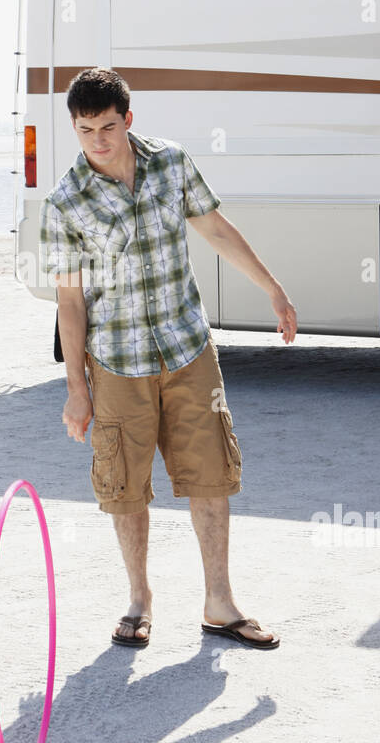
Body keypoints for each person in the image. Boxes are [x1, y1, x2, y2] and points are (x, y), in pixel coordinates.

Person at [39, 67, 297, 649]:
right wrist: (76, 387)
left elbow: (217, 230)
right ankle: (139, 599)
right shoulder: (64, 202)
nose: (98, 142)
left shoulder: (172, 163)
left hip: (187, 348)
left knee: (211, 475)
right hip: (117, 361)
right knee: (125, 488)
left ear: (128, 119)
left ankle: (219, 604)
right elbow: (70, 300)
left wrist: (273, 288)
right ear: (74, 128)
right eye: (85, 130)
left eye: (107, 127)